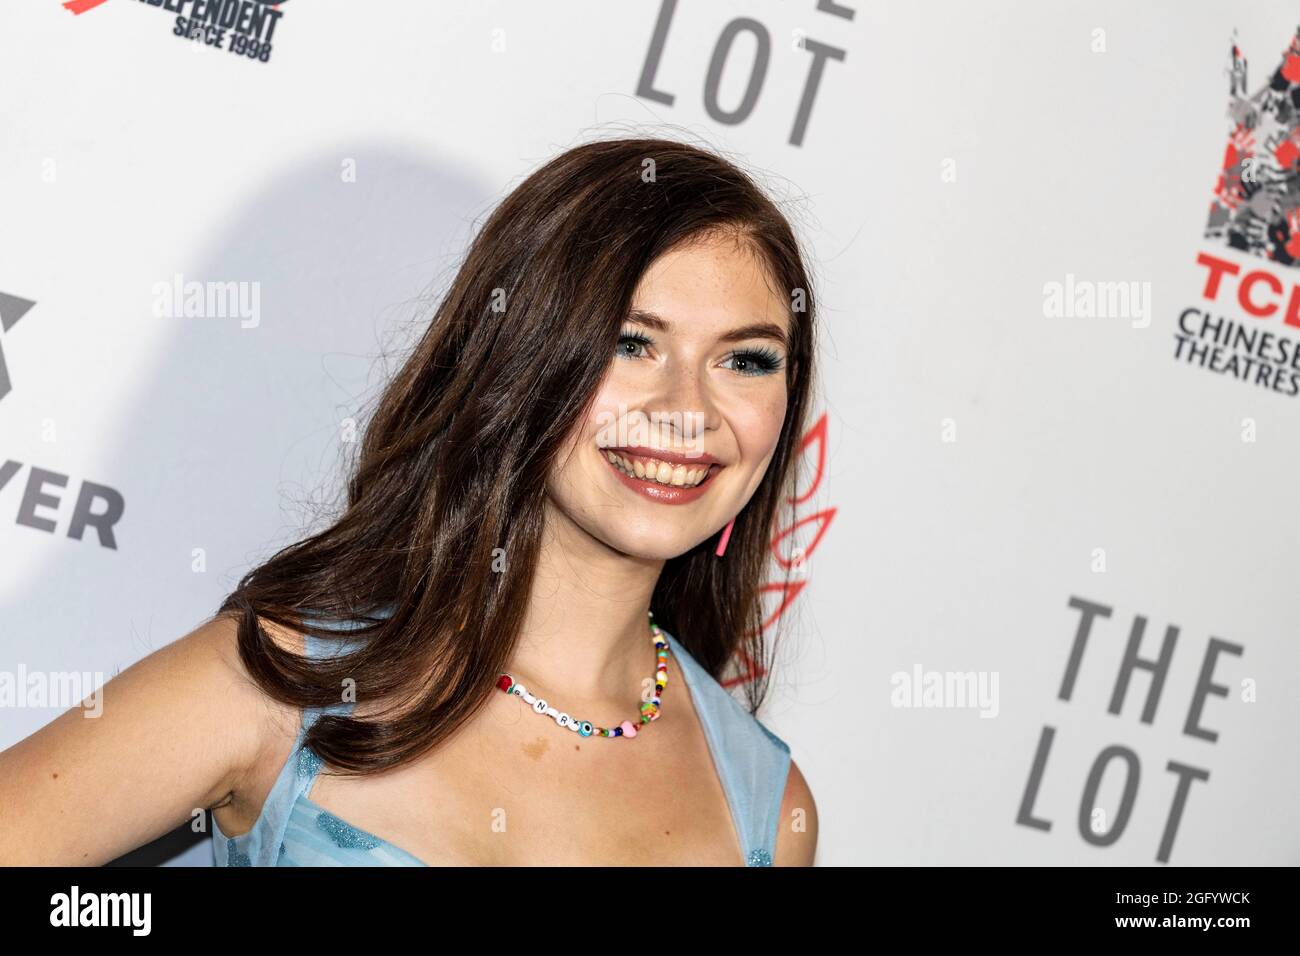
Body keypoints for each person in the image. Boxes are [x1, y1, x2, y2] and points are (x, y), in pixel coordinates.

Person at [0, 135, 820, 866]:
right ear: (521, 358)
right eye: (630, 344)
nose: (687, 410)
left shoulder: (764, 806)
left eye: (745, 361)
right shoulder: (280, 685)